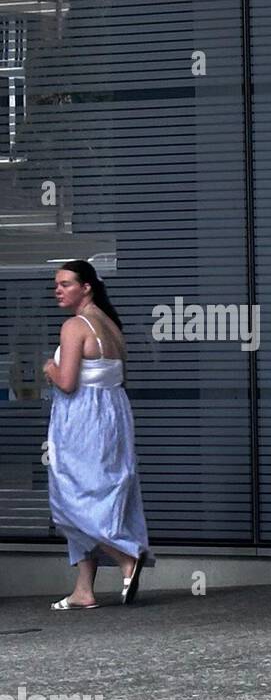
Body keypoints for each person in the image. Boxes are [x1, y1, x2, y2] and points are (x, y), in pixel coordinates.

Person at [43, 260, 149, 609]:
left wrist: (50, 368)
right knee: (100, 490)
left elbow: (68, 382)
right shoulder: (111, 325)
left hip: (82, 420)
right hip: (113, 415)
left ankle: (125, 558)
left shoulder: (75, 326)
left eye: (66, 284)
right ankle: (83, 590)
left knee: (70, 500)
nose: (58, 290)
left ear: (86, 287)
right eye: (56, 284)